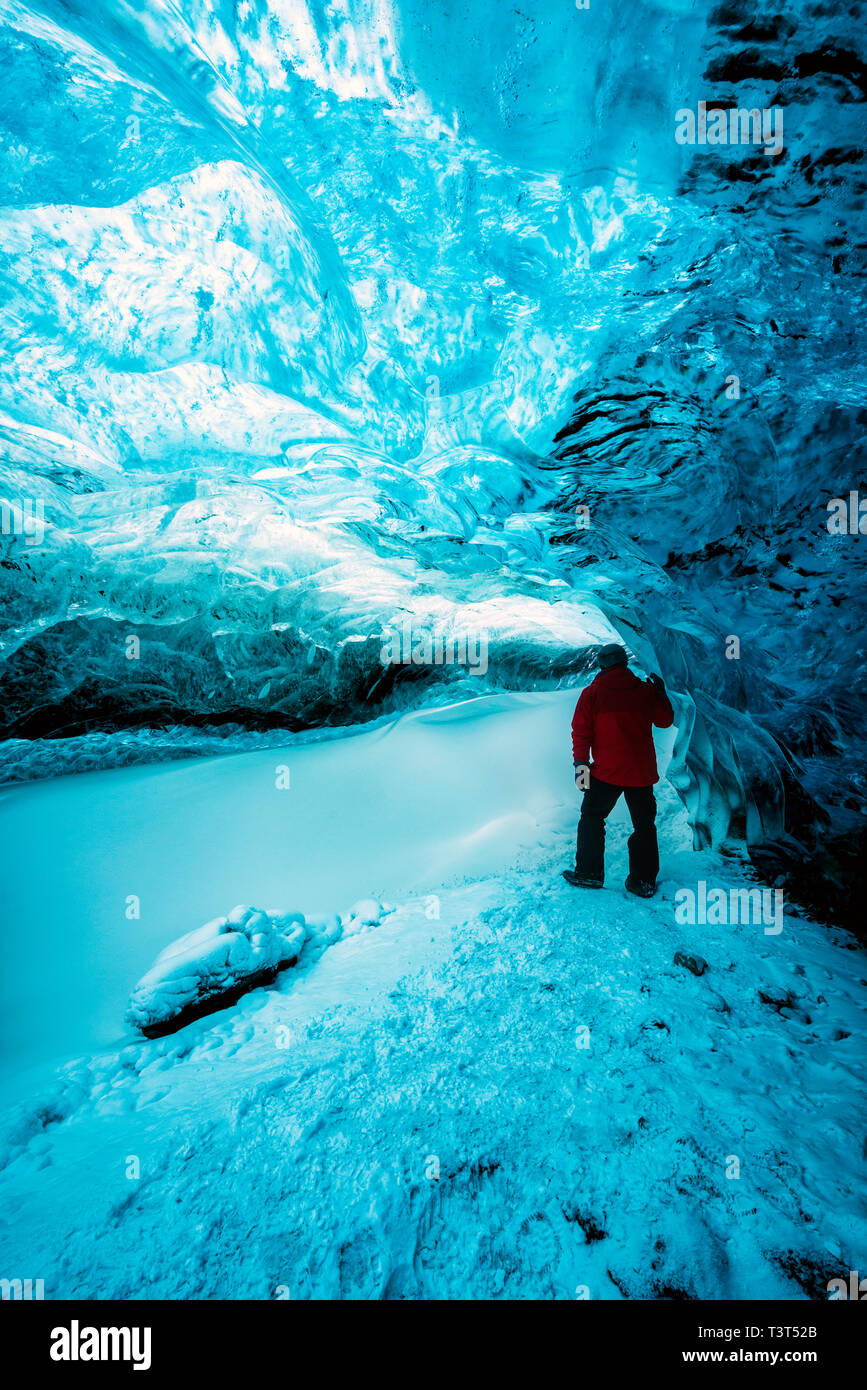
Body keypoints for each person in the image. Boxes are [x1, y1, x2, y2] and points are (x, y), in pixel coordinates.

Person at [564, 643, 674, 898]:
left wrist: (581, 765)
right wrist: (661, 693)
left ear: (603, 664)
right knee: (644, 825)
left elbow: (581, 732)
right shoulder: (645, 691)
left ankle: (589, 874)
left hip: (606, 772)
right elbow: (665, 721)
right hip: (640, 772)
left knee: (592, 818)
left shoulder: (592, 694)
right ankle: (643, 881)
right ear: (624, 662)